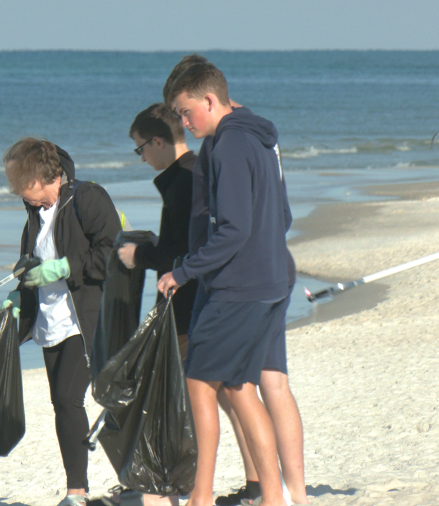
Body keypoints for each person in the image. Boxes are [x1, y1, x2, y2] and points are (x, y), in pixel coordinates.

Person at [163, 55, 309, 506]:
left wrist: (184, 271)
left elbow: (233, 229)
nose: (184, 123)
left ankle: (201, 496)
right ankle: (277, 497)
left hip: (239, 286)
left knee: (199, 383)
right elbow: (283, 215)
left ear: (210, 100)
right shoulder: (260, 138)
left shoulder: (227, 145)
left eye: (186, 112)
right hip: (272, 279)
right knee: (243, 388)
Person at [1, 138, 122, 506]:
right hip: (50, 320)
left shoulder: (87, 197)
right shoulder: (34, 214)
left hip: (86, 318)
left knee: (70, 398)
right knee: (62, 403)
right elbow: (31, 267)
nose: (20, 193)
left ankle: (77, 493)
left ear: (45, 176)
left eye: (23, 185)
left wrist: (65, 267)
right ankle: (87, 487)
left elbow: (113, 252)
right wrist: (19, 296)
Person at [118, 103, 198, 361]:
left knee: (191, 381)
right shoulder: (194, 171)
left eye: (141, 148)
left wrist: (138, 255)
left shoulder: (183, 182)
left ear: (158, 142)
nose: (142, 157)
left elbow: (184, 253)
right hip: (197, 305)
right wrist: (158, 243)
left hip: (189, 310)